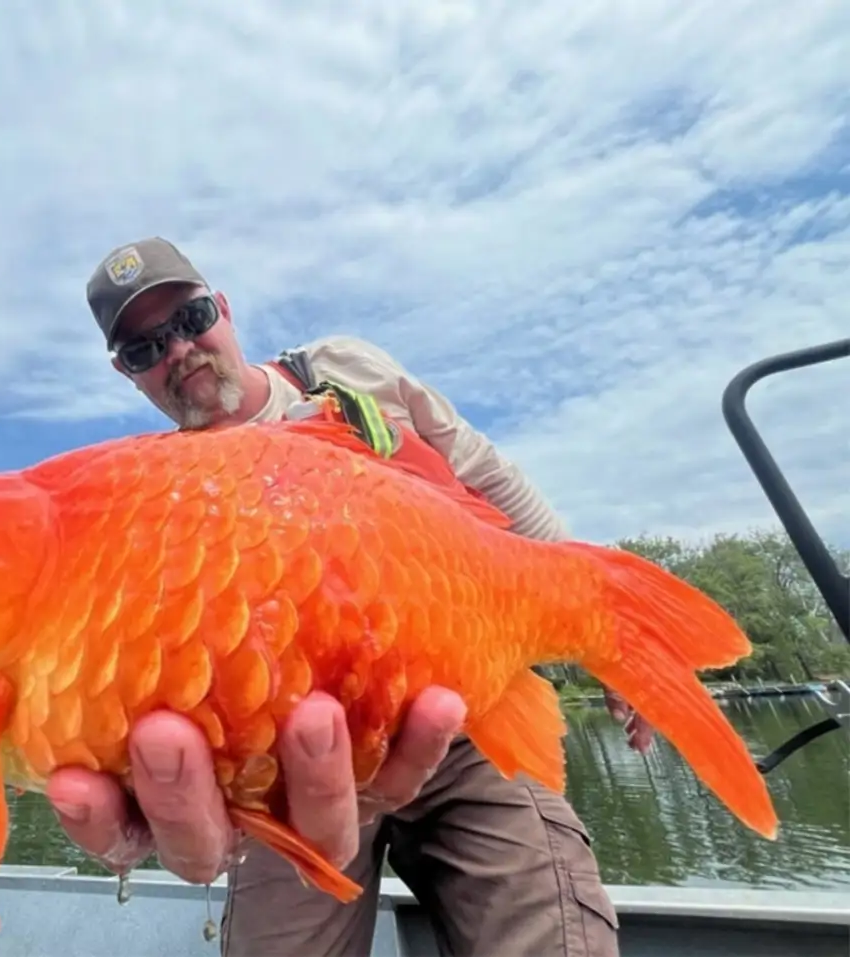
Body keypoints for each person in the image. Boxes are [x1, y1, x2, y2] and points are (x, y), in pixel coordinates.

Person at [48, 236, 648, 957]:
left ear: (225, 310)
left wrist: (606, 630)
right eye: (146, 349)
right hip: (292, 775)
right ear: (127, 373)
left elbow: (488, 476)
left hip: (465, 720)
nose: (179, 350)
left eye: (191, 318)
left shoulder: (345, 370)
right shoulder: (164, 496)